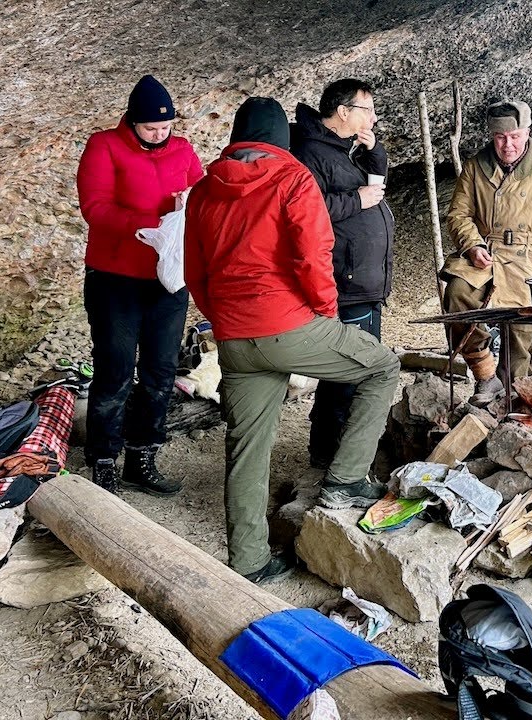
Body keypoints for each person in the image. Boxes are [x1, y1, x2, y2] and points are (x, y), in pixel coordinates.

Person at [183, 97, 401, 583]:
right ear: (281, 139)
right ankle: (345, 479)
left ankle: (250, 561)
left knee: (247, 448)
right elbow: (313, 255)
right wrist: (323, 314)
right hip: (287, 323)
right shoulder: (291, 178)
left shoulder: (203, 191)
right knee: (382, 367)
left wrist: (222, 319)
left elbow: (193, 270)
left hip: (234, 334)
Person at [76, 74, 203, 496]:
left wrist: (188, 208)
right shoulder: (104, 146)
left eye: (166, 127)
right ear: (132, 122)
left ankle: (143, 454)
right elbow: (95, 207)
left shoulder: (183, 149)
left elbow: (201, 194)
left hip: (168, 279)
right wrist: (152, 225)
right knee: (114, 369)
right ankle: (104, 459)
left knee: (160, 370)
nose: (160, 134)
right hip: (115, 277)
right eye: (151, 128)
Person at [441, 99, 532, 403]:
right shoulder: (476, 167)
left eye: (515, 137)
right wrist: (473, 245)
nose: (508, 145)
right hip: (486, 257)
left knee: (518, 333)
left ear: (527, 132)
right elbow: (458, 215)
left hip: (530, 262)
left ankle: (512, 401)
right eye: (501, 138)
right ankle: (485, 372)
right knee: (457, 294)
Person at [290, 78, 395, 469]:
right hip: (345, 279)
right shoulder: (310, 151)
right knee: (351, 370)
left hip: (364, 281)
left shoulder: (342, 148)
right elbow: (307, 211)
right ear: (344, 112)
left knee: (355, 369)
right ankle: (335, 455)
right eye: (367, 109)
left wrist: (375, 153)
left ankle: (340, 450)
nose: (373, 117)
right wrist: (357, 200)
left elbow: (375, 185)